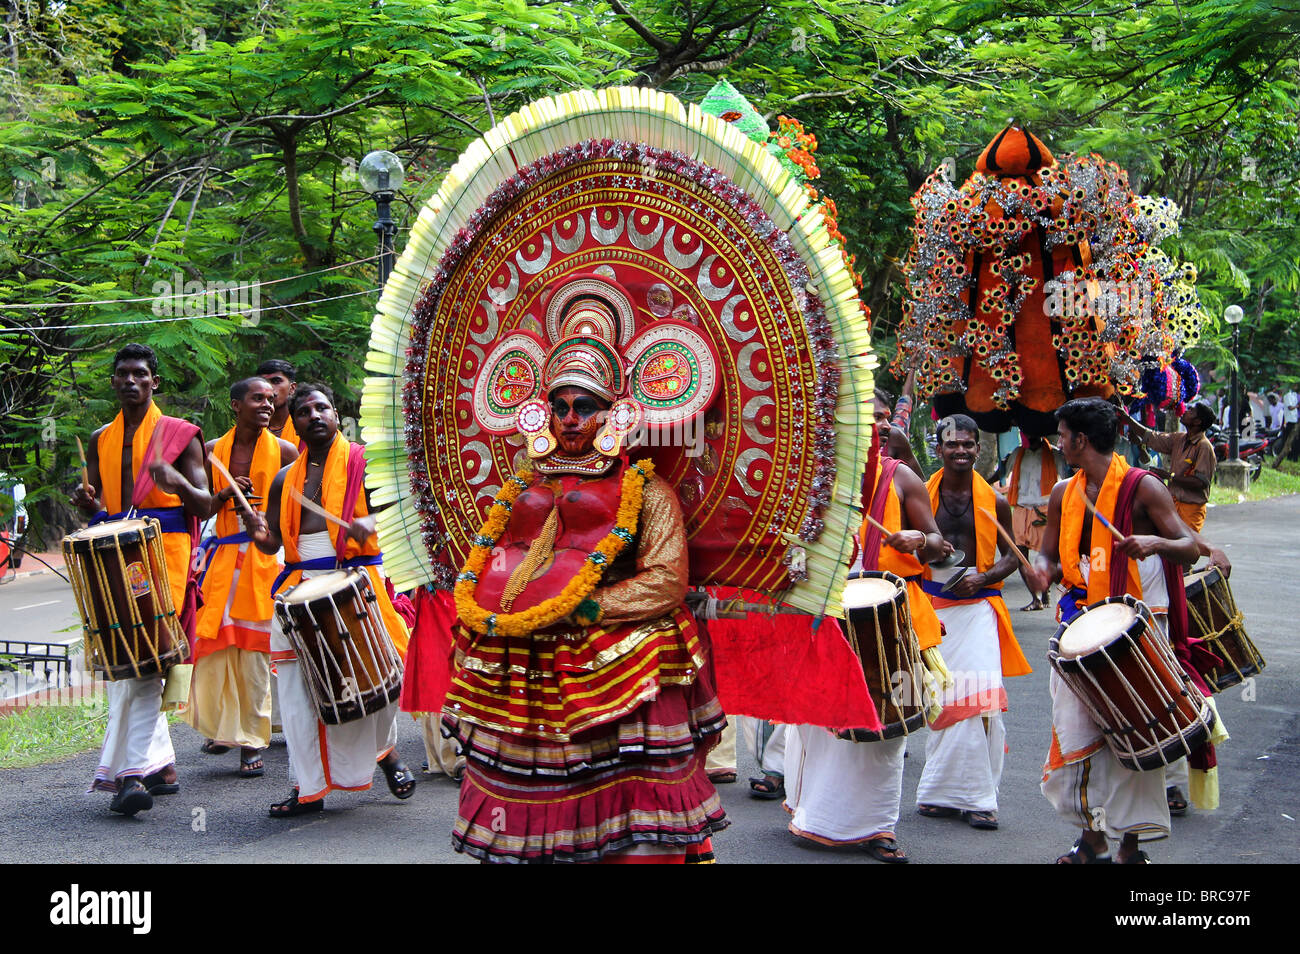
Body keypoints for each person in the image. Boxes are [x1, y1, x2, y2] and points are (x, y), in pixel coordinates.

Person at [1024, 398, 1204, 863]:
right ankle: (1092, 840)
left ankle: (1129, 846)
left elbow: (1189, 548)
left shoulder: (1144, 488)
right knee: (1078, 733)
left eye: (1062, 435)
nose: (1058, 442)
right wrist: (1041, 571)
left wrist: (1156, 541)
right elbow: (1047, 553)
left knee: (1132, 734)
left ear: (1080, 440)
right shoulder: (1065, 491)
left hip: (1135, 627)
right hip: (1079, 622)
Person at [783, 393, 945, 863]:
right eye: (864, 416)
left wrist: (920, 540)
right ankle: (813, 813)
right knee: (818, 723)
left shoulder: (903, 477)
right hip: (829, 612)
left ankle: (878, 828)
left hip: (894, 618)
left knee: (888, 725)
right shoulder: (821, 479)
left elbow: (940, 546)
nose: (874, 425)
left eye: (881, 417)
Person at [246, 384, 415, 815]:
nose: (314, 415)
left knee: (376, 682)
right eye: (304, 412)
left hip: (358, 581)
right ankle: (307, 788)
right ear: (295, 423)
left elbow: (401, 512)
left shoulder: (365, 462)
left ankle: (386, 753)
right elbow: (271, 544)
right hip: (300, 589)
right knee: (299, 697)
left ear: (337, 413)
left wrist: (368, 523)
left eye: (322, 407)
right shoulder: (286, 478)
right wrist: (254, 529)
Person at [70, 343, 212, 815]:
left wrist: (177, 482)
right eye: (123, 373)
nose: (131, 380)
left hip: (165, 556)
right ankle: (164, 766)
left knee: (148, 659)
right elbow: (102, 506)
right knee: (124, 657)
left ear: (154, 383)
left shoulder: (181, 434)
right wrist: (88, 504)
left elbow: (205, 505)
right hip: (115, 558)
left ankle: (131, 775)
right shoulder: (100, 437)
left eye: (140, 374)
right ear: (113, 381)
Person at [914, 415, 1031, 830]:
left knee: (980, 700)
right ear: (939, 449)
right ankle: (941, 793)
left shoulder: (994, 500)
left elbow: (1014, 557)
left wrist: (984, 577)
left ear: (978, 450)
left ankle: (981, 798)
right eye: (952, 445)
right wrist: (923, 552)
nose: (960, 450)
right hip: (933, 610)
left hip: (980, 608)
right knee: (943, 700)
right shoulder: (921, 495)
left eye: (968, 444)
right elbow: (906, 551)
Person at [186, 377, 298, 776]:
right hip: (222, 560)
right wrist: (225, 498)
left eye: (271, 399)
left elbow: (292, 509)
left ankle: (251, 740)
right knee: (217, 650)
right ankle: (223, 729)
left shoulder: (285, 451)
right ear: (235, 405)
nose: (267, 405)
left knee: (254, 655)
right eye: (257, 399)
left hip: (264, 560)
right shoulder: (213, 450)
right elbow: (201, 509)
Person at [1119, 402, 1215, 532]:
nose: (1185, 411)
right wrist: (1129, 420)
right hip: (1172, 505)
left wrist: (1169, 476)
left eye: (1191, 411)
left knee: (1186, 547)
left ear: (1197, 422)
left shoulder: (1203, 446)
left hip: (1190, 508)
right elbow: (1153, 437)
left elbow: (1200, 482)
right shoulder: (1180, 439)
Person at [1001, 434, 1066, 609]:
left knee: (1049, 555)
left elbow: (1068, 476)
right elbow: (1002, 474)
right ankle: (1035, 598)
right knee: (1019, 555)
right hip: (1021, 508)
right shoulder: (1017, 453)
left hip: (1044, 509)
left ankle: (1045, 591)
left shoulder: (1055, 454)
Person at [255, 359, 300, 448]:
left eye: (276, 381)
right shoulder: (251, 428)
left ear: (292, 388)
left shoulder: (304, 426)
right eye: (264, 382)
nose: (269, 388)